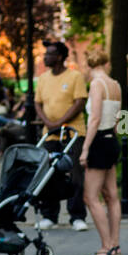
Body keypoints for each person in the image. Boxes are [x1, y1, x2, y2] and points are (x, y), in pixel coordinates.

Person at [35, 40, 90, 230]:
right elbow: (37, 103)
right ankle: (49, 215)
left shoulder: (75, 76)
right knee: (48, 174)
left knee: (75, 174)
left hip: (73, 133)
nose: (45, 57)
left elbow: (80, 102)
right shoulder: (42, 78)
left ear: (59, 57)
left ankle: (77, 216)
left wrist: (60, 123)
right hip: (49, 134)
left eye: (48, 54)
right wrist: (48, 123)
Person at [80, 47, 123, 255]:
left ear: (90, 66)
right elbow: (118, 119)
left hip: (98, 140)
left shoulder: (96, 84)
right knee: (112, 196)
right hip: (111, 140)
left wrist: (85, 148)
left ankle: (106, 246)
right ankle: (115, 244)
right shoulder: (116, 85)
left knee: (90, 196)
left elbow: (94, 119)